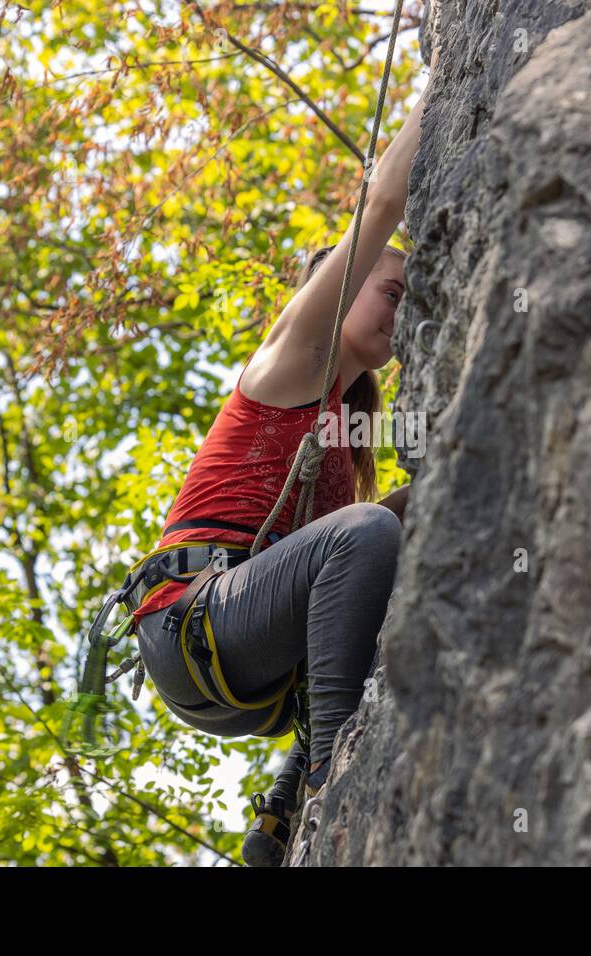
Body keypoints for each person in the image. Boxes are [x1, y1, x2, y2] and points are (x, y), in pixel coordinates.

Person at [132, 49, 439, 814]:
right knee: (365, 533)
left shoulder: (343, 433)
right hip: (191, 620)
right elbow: (379, 207)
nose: (402, 312)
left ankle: (279, 811)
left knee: (384, 540)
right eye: (391, 291)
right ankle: (331, 773)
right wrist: (440, 79)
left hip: (248, 661)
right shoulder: (291, 364)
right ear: (330, 294)